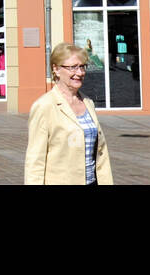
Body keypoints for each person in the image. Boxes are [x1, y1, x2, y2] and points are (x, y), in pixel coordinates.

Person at [24, 42, 113, 185]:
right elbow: (35, 160)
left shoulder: (88, 102)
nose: (80, 73)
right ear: (56, 69)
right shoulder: (44, 106)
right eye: (73, 67)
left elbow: (99, 151)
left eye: (82, 66)